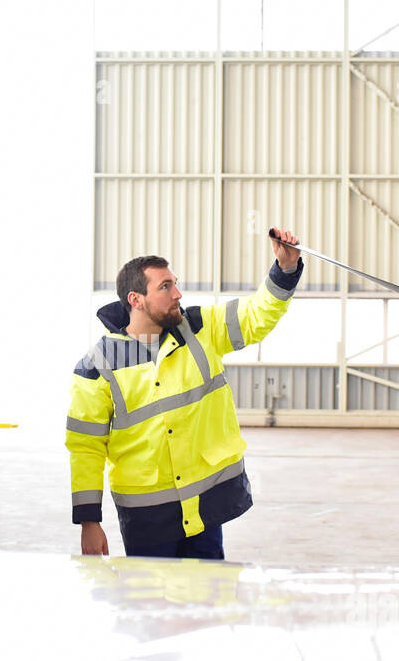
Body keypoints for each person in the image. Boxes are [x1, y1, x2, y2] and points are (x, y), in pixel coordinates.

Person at [66, 229, 304, 559]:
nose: (178, 293)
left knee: (209, 604)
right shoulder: (97, 367)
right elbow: (85, 448)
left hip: (206, 509)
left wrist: (285, 268)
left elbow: (257, 314)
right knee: (149, 607)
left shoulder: (201, 329)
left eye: (175, 283)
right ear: (136, 299)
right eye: (165, 286)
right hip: (147, 518)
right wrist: (89, 521)